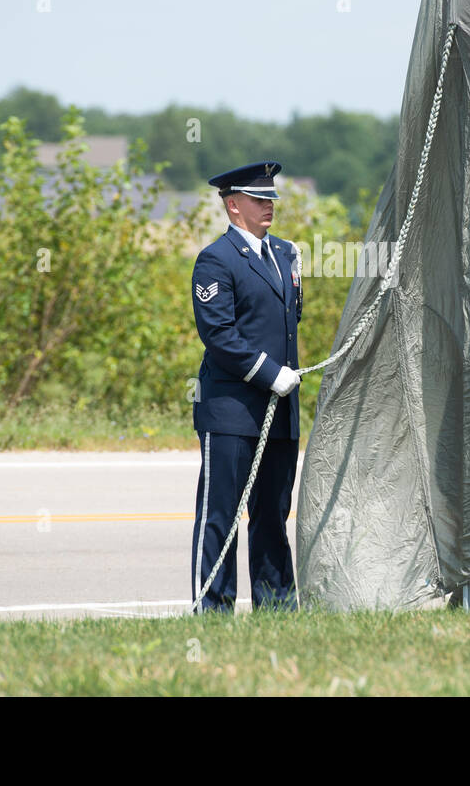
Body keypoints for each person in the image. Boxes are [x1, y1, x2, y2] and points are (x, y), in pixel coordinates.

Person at [189, 161, 303, 613]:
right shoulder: (215, 260)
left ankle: (276, 608)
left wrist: (285, 377)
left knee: (272, 516)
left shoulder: (287, 254)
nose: (268, 207)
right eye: (259, 200)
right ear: (233, 206)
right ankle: (211, 609)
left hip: (279, 411)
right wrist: (268, 371)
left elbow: (287, 324)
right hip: (232, 409)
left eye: (271, 199)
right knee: (221, 516)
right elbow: (219, 335)